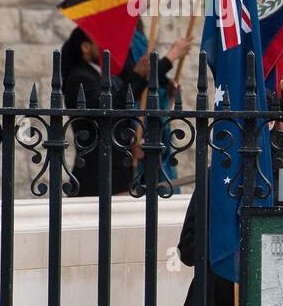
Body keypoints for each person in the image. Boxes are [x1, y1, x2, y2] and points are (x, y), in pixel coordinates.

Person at [61, 25, 192, 196]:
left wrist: (131, 146)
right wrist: (169, 58)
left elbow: (132, 95)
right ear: (85, 47)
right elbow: (111, 108)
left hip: (120, 174)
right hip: (97, 176)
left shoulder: (106, 75)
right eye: (100, 41)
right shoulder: (80, 77)